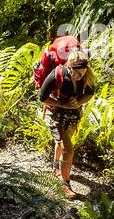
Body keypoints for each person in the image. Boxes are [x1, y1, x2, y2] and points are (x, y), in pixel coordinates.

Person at [38, 45, 95, 198]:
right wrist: (62, 104)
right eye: (76, 73)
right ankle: (65, 184)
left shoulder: (87, 74)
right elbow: (42, 97)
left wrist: (79, 102)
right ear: (69, 66)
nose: (79, 76)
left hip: (72, 115)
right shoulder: (56, 74)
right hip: (55, 114)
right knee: (68, 149)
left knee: (62, 142)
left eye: (82, 73)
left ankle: (56, 168)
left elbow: (90, 92)